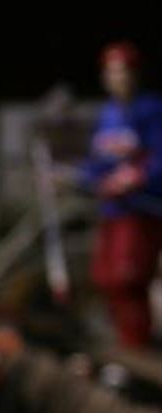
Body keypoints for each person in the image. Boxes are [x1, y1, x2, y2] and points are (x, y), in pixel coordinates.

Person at [75, 41, 162, 348]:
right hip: (113, 210)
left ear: (136, 74)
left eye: (123, 71)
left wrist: (137, 176)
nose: (118, 78)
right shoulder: (108, 114)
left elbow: (157, 158)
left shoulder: (152, 109)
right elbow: (98, 162)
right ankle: (126, 344)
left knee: (129, 277)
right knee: (105, 277)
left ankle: (139, 344)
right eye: (111, 72)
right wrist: (80, 176)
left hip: (143, 209)